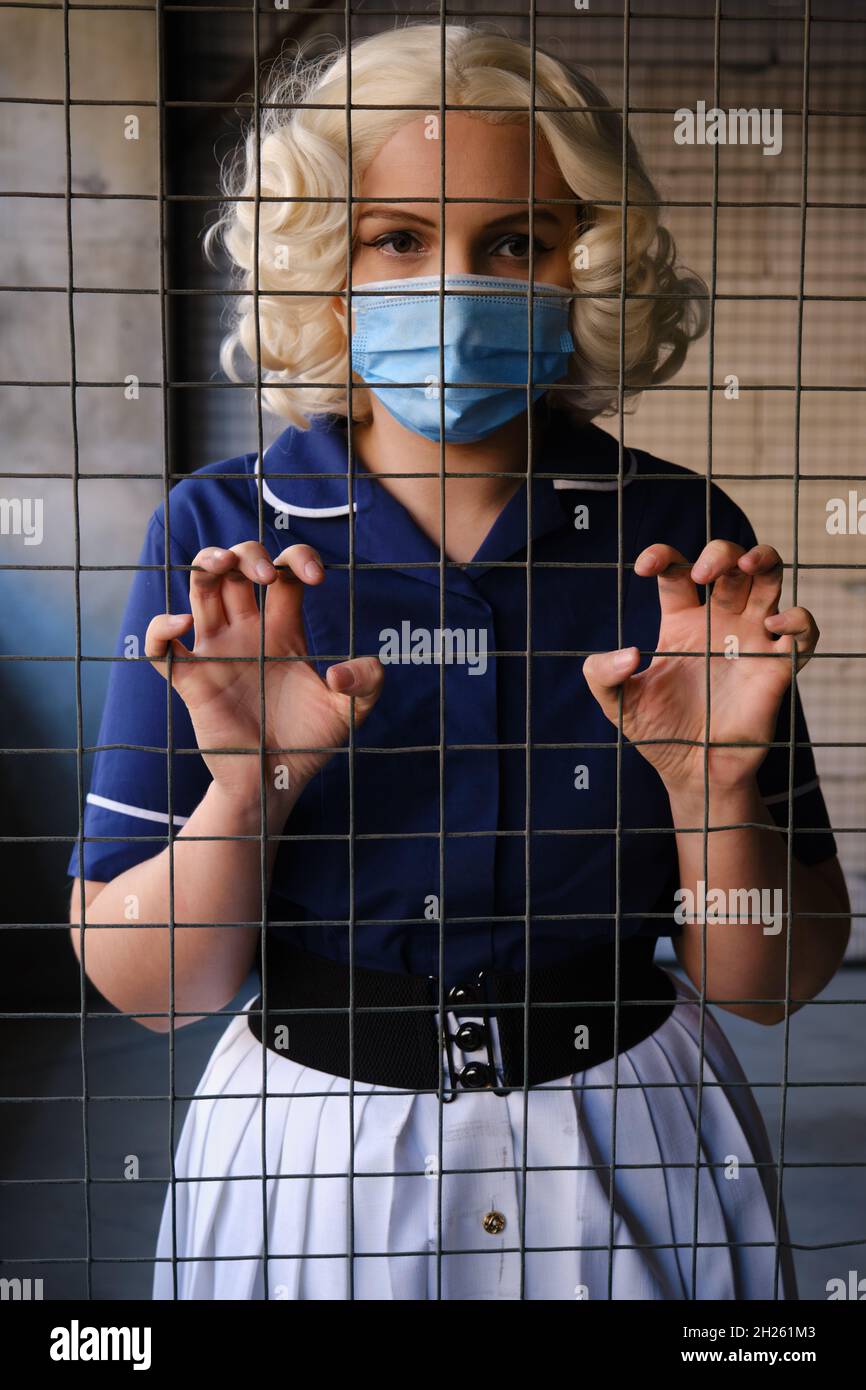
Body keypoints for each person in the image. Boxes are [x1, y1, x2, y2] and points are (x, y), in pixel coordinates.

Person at [67, 23, 850, 1300]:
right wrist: (246, 787)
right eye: (398, 239)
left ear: (582, 268)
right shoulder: (220, 536)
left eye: (514, 243)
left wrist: (710, 794)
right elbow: (149, 985)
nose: (457, 285)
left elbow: (769, 982)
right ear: (323, 266)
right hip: (309, 1156)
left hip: (632, 1138)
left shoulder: (678, 536)